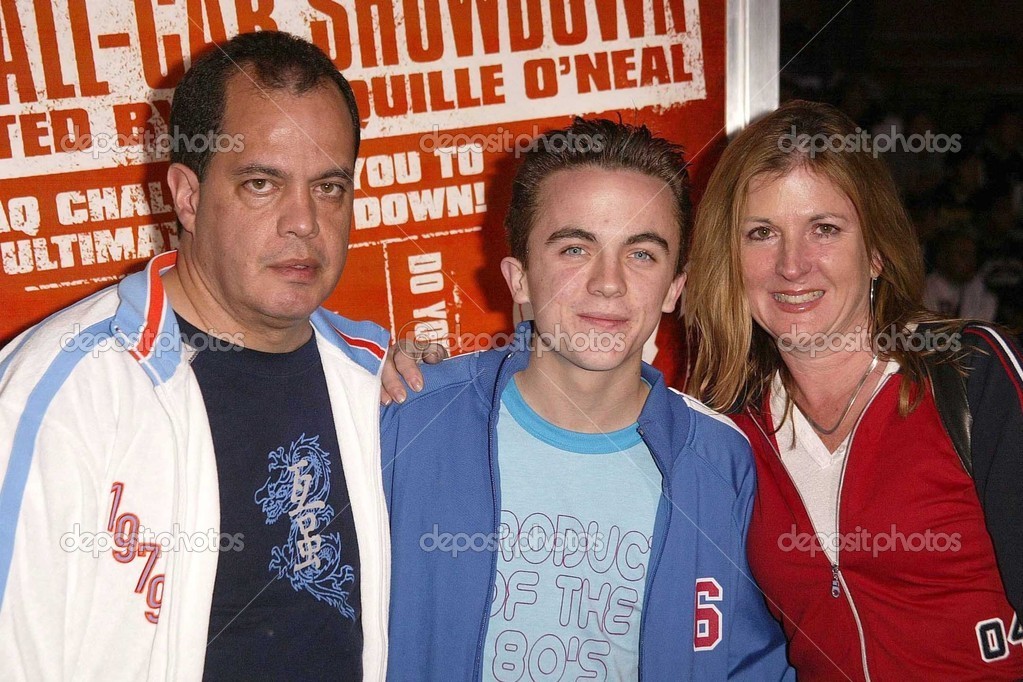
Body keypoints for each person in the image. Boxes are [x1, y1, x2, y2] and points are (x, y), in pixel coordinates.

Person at [0, 31, 391, 679]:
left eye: (328, 187)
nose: (303, 221)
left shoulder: (377, 383)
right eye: (262, 184)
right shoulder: (60, 395)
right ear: (186, 195)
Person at [380, 118, 794, 680]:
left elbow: (751, 663)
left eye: (642, 254)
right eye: (575, 248)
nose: (608, 282)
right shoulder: (408, 421)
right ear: (519, 278)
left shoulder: (722, 461)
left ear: (675, 287)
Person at [686, 99, 1023, 679]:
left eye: (825, 229)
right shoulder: (726, 430)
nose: (792, 265)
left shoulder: (971, 374)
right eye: (762, 233)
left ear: (875, 252)